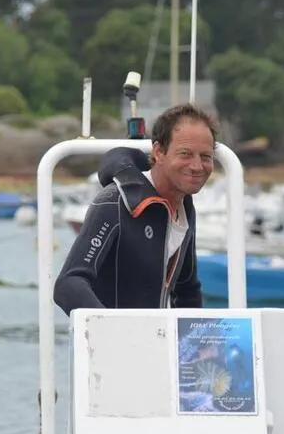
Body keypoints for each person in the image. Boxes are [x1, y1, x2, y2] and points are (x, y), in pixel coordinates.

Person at [53, 102, 219, 316]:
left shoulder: (185, 205)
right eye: (185, 154)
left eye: (205, 157)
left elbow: (186, 289)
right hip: (106, 335)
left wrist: (198, 336)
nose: (197, 166)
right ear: (159, 152)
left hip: (154, 335)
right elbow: (69, 283)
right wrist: (111, 327)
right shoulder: (114, 202)